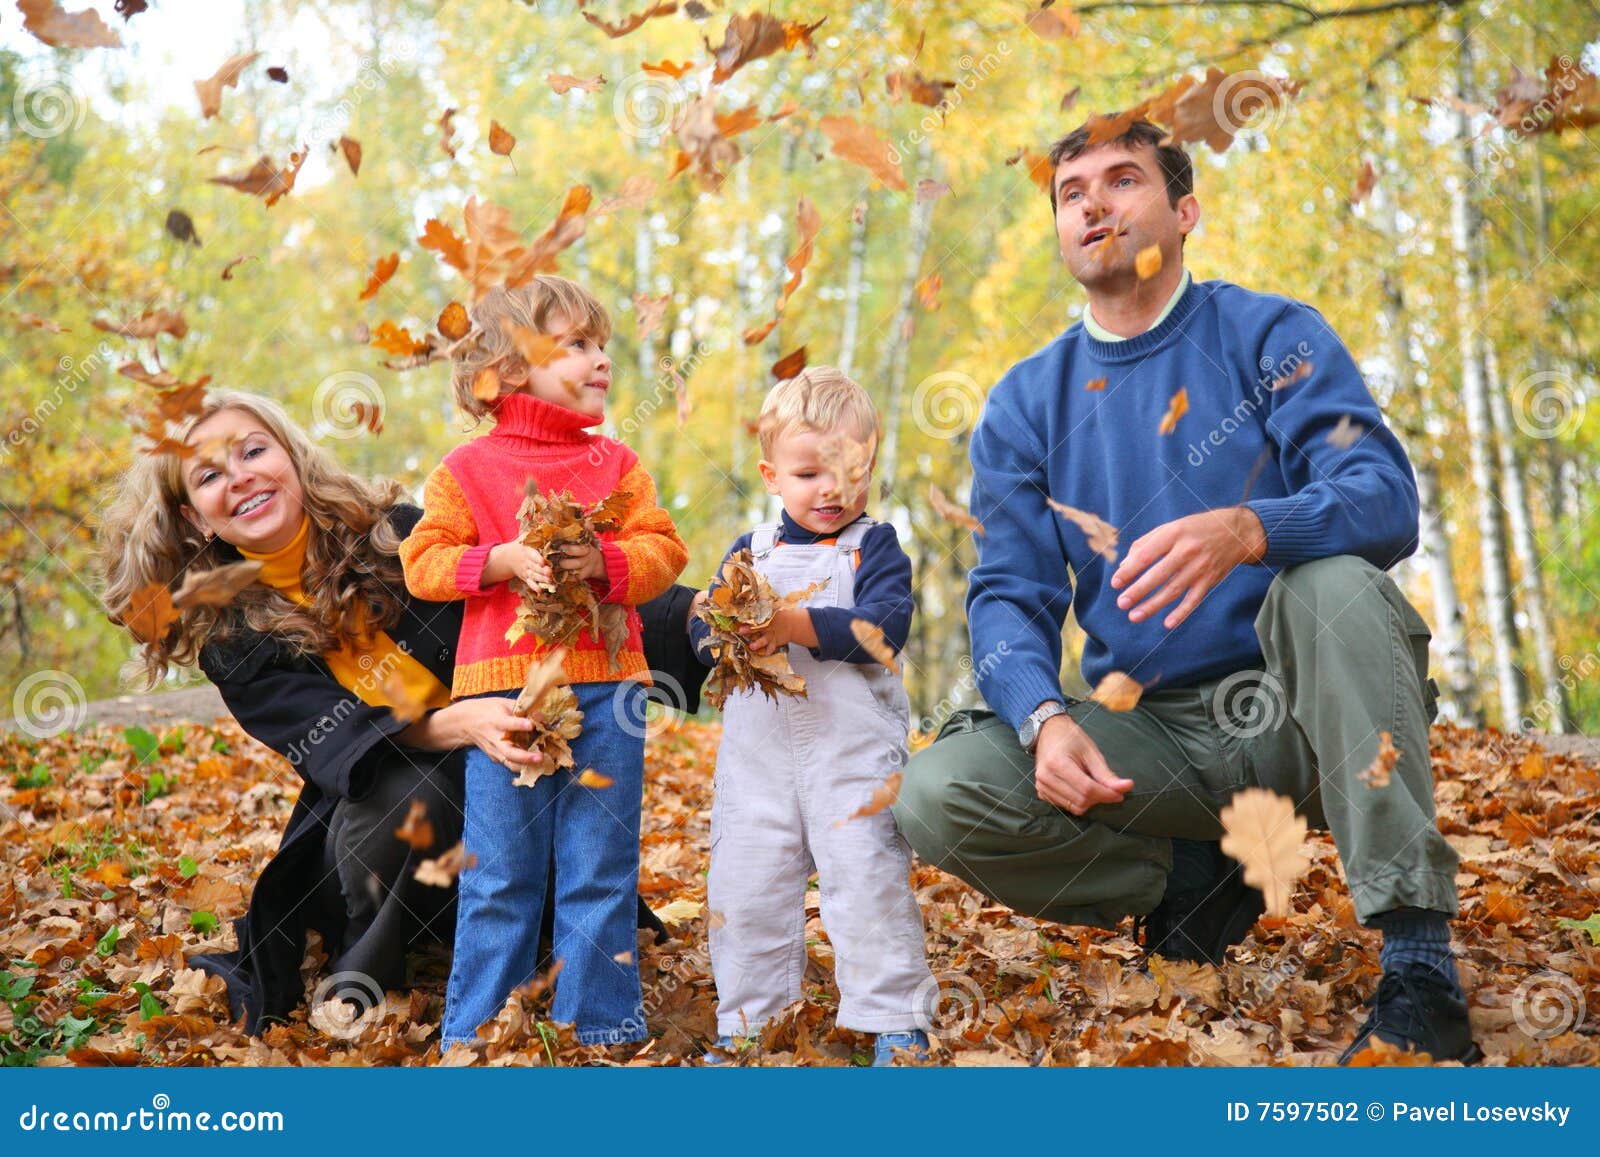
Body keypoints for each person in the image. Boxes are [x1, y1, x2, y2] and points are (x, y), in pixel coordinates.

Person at [892, 120, 1477, 1064]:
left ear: (1184, 210)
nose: (1093, 203)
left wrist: (1254, 529)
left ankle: (1418, 958)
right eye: (1070, 191)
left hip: (1308, 709)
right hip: (1153, 736)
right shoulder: (1023, 402)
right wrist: (1041, 716)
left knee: (1329, 582)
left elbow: (1385, 498)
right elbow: (1006, 596)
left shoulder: (1271, 334)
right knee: (937, 788)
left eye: (1122, 180)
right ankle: (1189, 877)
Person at [98, 389, 704, 1037]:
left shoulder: (400, 534)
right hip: (373, 838)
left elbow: (541, 582)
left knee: (532, 779)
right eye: (211, 475)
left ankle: (550, 936)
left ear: (292, 458)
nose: (240, 475)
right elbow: (343, 743)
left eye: (253, 450)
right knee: (414, 784)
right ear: (197, 520)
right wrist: (467, 722)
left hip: (512, 791)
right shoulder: (232, 636)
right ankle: (369, 971)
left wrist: (698, 614)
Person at [401, 276, 688, 1051]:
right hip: (509, 705)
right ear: (510, 369)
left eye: (603, 345)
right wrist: (493, 560)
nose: (601, 360)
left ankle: (599, 1024)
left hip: (608, 692)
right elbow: (421, 562)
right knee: (500, 873)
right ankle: (478, 1031)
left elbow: (665, 549)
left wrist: (605, 561)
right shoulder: (465, 470)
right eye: (578, 345)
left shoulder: (616, 464)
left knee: (600, 866)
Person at [689, 366, 934, 1066]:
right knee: (747, 887)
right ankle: (749, 1024)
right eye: (808, 472)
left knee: (866, 881)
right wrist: (723, 638)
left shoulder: (874, 546)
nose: (829, 488)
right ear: (771, 475)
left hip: (852, 759)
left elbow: (884, 626)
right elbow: (708, 626)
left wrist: (794, 622)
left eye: (847, 469)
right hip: (758, 764)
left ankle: (895, 1018)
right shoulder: (751, 552)